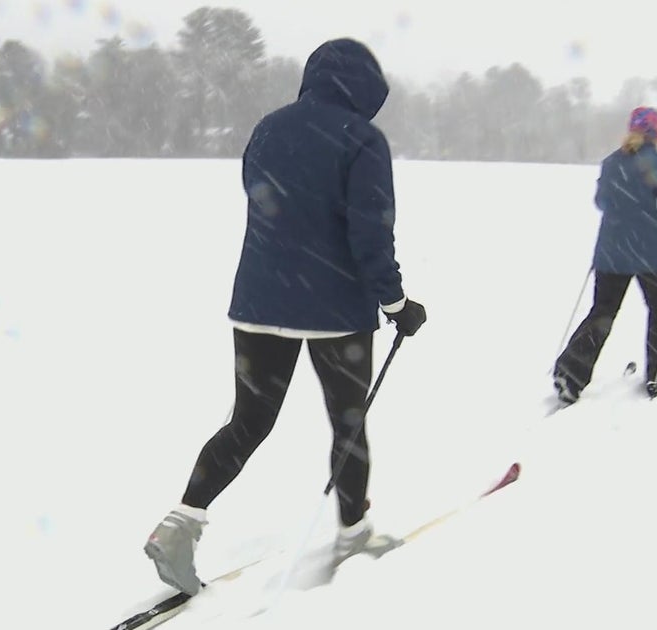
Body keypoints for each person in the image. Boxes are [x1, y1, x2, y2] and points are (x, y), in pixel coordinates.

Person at [143, 37, 427, 596]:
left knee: (248, 423)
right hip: (335, 313)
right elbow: (371, 232)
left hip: (258, 307)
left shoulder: (268, 127)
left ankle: (180, 523)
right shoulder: (363, 138)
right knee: (348, 423)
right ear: (364, 88)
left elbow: (261, 196)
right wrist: (397, 304)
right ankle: (353, 533)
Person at [552, 106, 657, 404]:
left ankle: (571, 372)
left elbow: (601, 201)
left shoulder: (612, 163)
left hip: (611, 253)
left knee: (602, 313)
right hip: (650, 254)